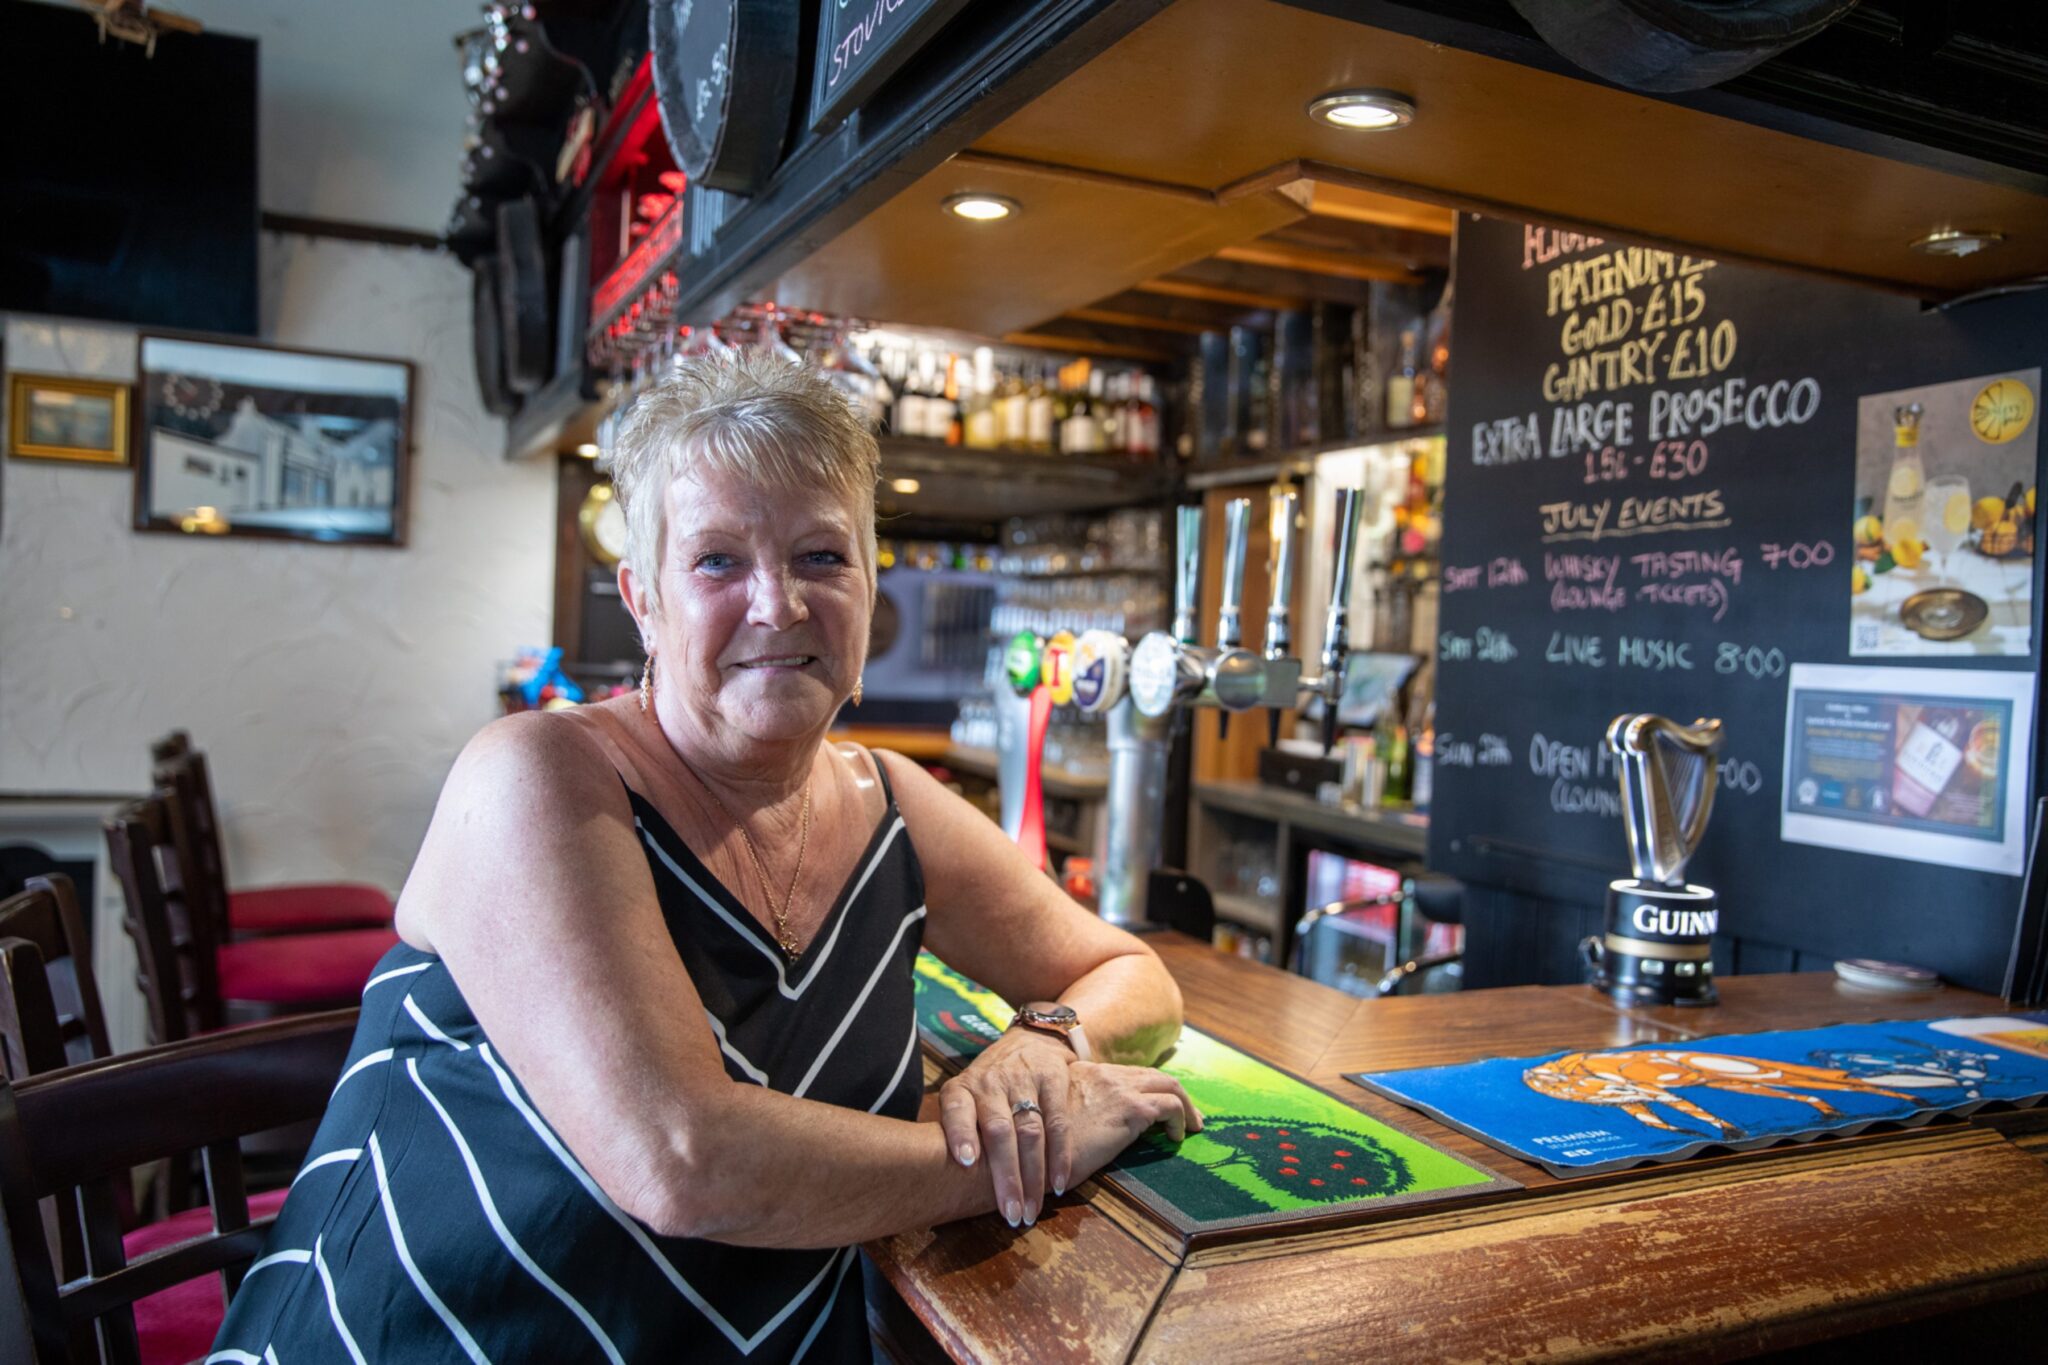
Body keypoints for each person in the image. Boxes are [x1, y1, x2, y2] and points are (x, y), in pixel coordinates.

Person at [212, 351, 1198, 1363]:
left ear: (870, 583)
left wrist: (1045, 1044)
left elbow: (1131, 974)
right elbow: (681, 1160)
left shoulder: (894, 803)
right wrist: (1026, 1153)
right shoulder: (538, 776)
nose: (778, 605)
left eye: (822, 556)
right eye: (718, 561)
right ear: (643, 599)